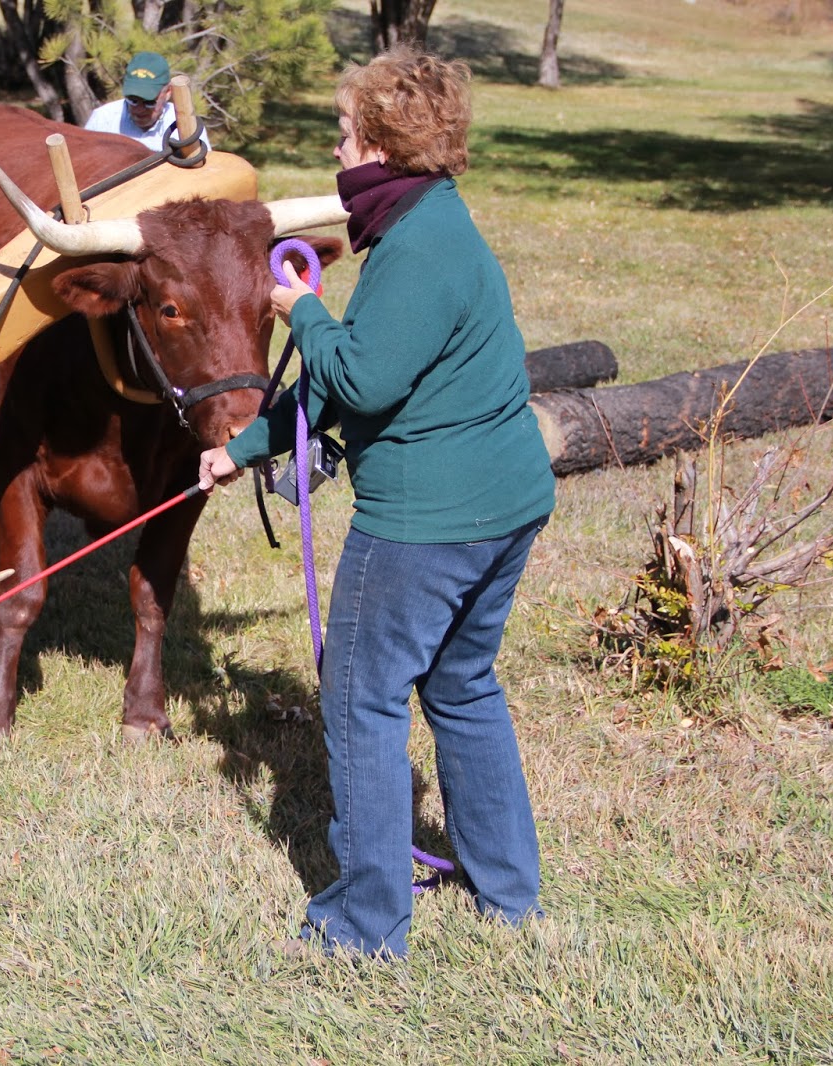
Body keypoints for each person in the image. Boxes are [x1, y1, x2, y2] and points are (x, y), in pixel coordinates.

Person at [197, 45, 555, 960]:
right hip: (503, 504)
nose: (335, 151)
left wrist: (301, 312)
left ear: (383, 149)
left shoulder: (417, 247)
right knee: (464, 686)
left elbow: (359, 377)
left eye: (344, 134)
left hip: (427, 526)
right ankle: (509, 895)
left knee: (362, 700)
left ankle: (362, 928)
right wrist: (242, 450)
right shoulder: (433, 220)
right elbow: (349, 381)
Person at [83, 51, 209, 153]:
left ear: (168, 92)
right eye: (132, 100)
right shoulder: (102, 120)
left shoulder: (186, 125)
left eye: (149, 102)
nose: (139, 109)